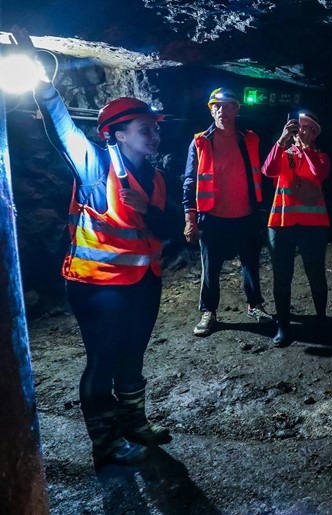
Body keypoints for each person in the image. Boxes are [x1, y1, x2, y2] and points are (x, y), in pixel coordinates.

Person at [13, 27, 173, 466]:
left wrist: (149, 211)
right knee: (103, 361)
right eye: (146, 129)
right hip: (98, 284)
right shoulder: (95, 165)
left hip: (142, 281)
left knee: (133, 356)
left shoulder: (156, 178)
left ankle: (133, 424)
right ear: (118, 134)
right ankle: (105, 445)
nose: (154, 136)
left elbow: (167, 227)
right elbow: (61, 126)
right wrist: (42, 82)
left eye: (155, 129)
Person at [183, 87, 272, 337]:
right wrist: (190, 218)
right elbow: (190, 181)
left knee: (250, 264)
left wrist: (262, 210)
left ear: (237, 109)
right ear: (211, 110)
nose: (222, 110)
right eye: (216, 106)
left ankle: (255, 305)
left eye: (227, 105)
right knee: (210, 268)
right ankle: (208, 312)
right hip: (212, 217)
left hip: (246, 215)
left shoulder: (250, 139)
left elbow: (263, 174)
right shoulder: (201, 141)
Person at [262, 110, 331, 346]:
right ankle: (283, 327)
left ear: (315, 134)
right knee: (282, 276)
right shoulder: (283, 153)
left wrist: (305, 150)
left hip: (313, 226)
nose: (303, 131)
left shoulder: (320, 156)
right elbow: (268, 170)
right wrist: (281, 141)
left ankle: (322, 320)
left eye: (310, 129)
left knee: (316, 274)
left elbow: (318, 173)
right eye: (301, 127)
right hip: (281, 224)